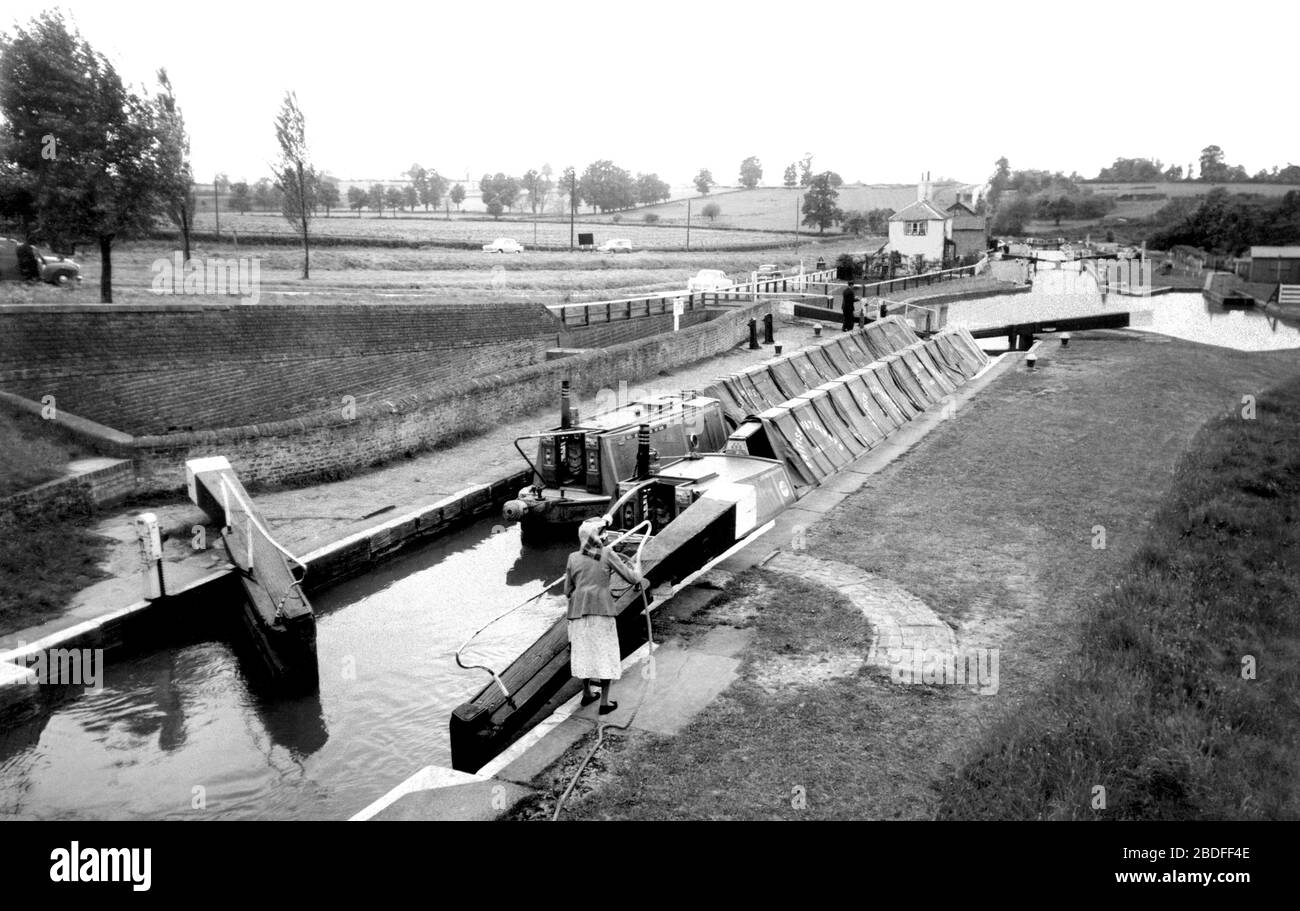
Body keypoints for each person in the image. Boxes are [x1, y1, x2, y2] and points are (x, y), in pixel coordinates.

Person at [565, 518, 645, 715]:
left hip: (578, 611)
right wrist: (637, 566)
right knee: (605, 653)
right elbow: (633, 578)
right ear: (597, 537)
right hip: (601, 609)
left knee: (584, 651)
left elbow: (567, 590)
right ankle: (605, 703)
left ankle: (587, 693)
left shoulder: (573, 558)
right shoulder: (606, 553)